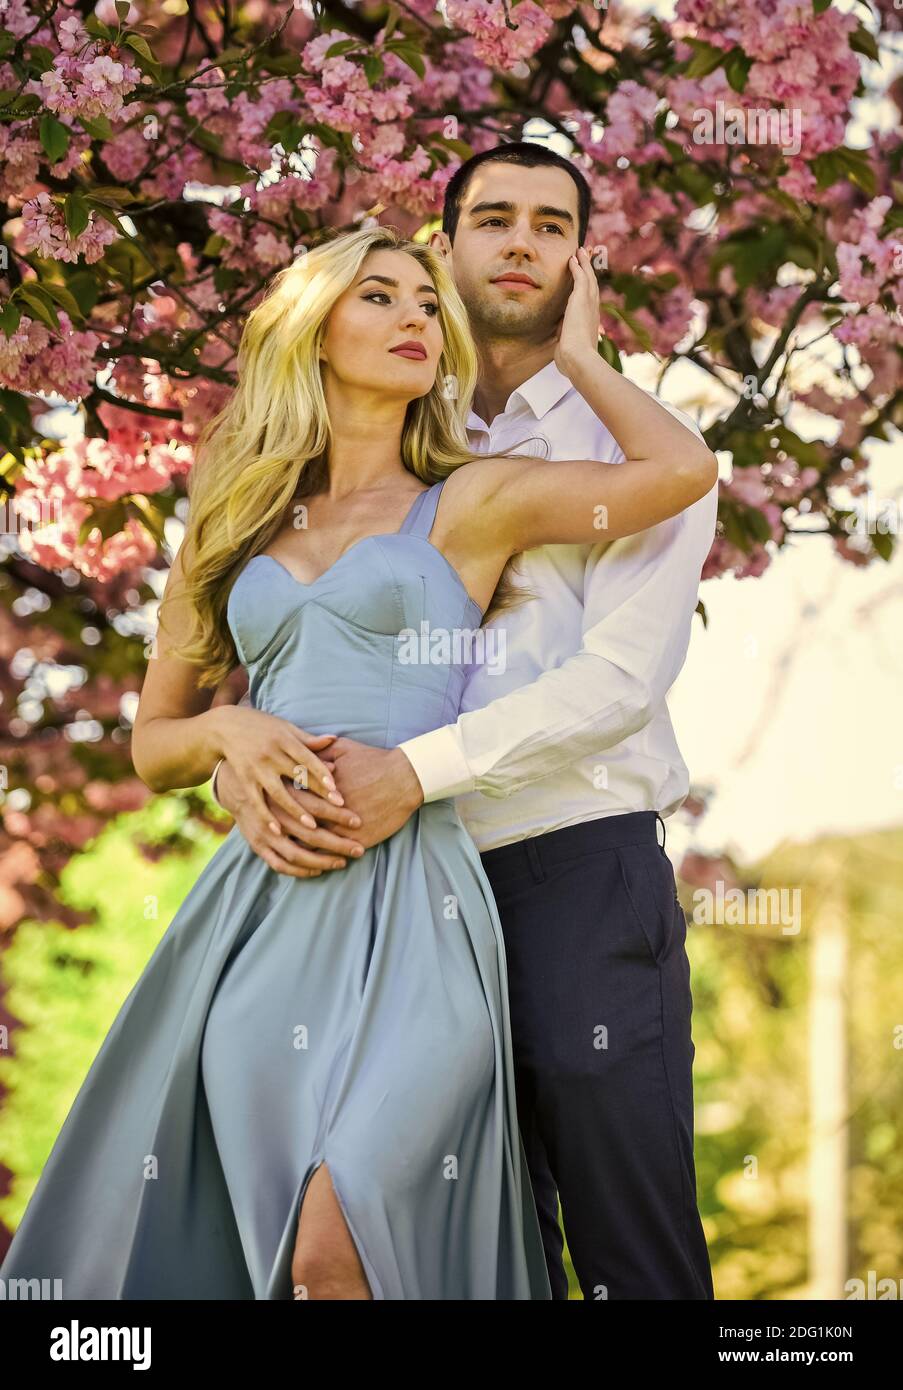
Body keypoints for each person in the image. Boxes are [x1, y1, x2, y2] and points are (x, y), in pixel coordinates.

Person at [0, 216, 715, 1301]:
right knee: (276, 1255)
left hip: (421, 898)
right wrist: (231, 730)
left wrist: (579, 352)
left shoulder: (476, 498)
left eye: (429, 304)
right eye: (381, 297)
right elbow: (156, 743)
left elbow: (681, 469)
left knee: (346, 1230)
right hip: (266, 909)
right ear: (312, 328)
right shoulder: (229, 522)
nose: (418, 317)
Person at [214, 144, 720, 1300]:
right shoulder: (388, 434)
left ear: (582, 260)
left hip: (569, 867)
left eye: (553, 223)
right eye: (494, 217)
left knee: (628, 1251)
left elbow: (618, 685)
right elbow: (299, 657)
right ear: (446, 249)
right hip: (393, 895)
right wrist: (242, 757)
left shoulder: (627, 442)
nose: (522, 240)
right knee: (457, 1258)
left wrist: (418, 769)